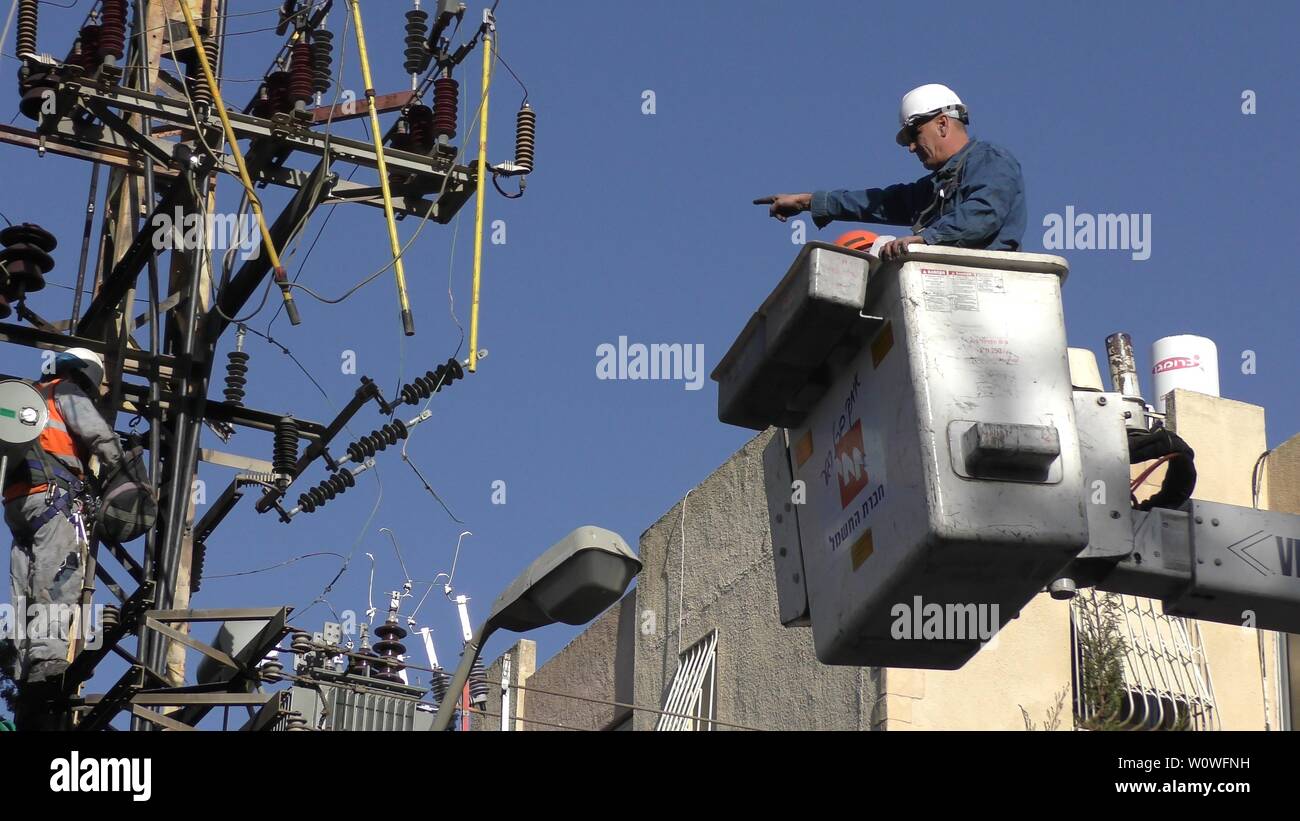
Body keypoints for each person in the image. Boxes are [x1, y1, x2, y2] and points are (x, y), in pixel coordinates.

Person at [755, 84, 1026, 259]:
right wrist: (808, 202)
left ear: (942, 124)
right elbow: (878, 203)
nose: (910, 147)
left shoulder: (990, 160)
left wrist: (926, 239)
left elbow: (984, 213)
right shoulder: (933, 188)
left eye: (914, 134)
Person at [1, 347, 124, 729]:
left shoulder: (27, 401)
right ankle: (48, 667)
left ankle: (22, 665)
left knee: (25, 587)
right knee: (58, 580)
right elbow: (97, 434)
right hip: (55, 501)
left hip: (18, 505)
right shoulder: (66, 392)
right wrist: (125, 469)